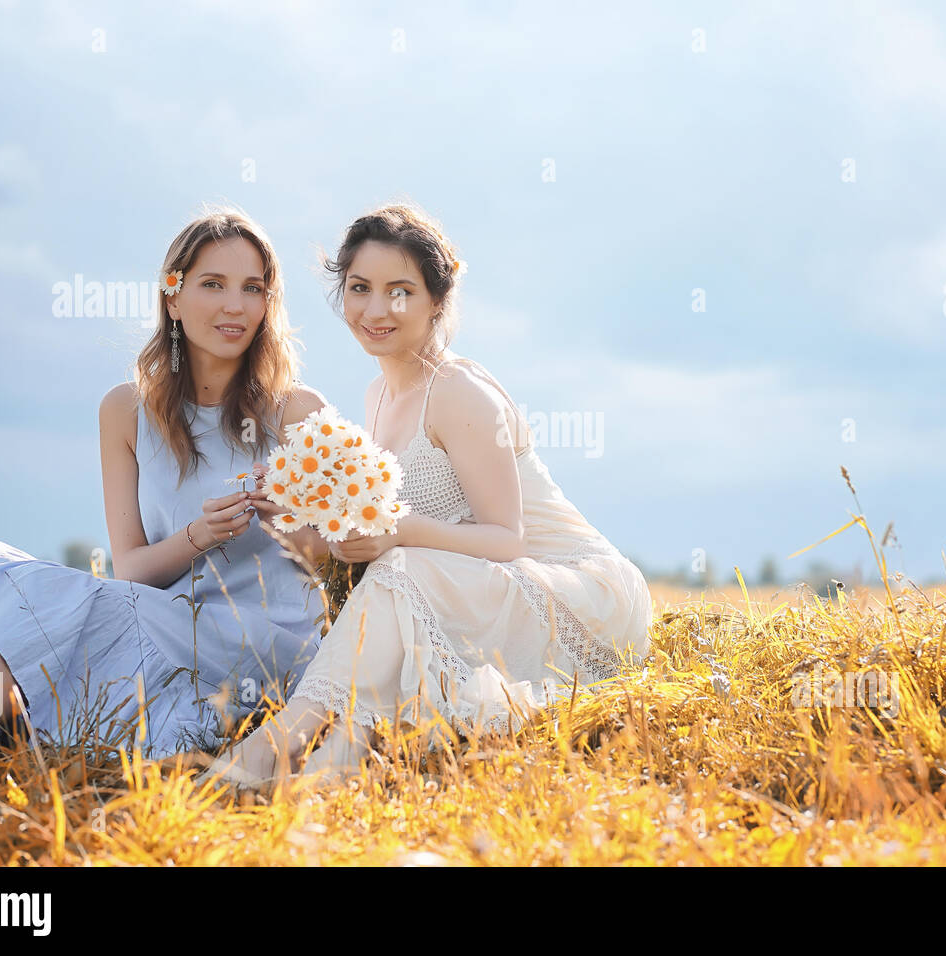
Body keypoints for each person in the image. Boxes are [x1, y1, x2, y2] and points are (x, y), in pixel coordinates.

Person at [202, 202, 652, 788]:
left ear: (437, 300)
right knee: (399, 576)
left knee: (404, 568)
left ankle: (276, 746)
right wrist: (298, 518)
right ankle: (325, 768)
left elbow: (507, 540)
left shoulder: (459, 393)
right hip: (463, 588)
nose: (375, 309)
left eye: (401, 291)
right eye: (360, 288)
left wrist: (398, 533)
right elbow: (379, 543)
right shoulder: (375, 398)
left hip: (577, 592)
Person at [0, 206, 330, 774]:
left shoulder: (298, 412)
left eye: (253, 288)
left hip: (261, 640)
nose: (235, 305)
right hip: (157, 616)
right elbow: (129, 568)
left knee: (45, 607)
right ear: (172, 298)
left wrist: (284, 516)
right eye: (213, 284)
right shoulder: (125, 409)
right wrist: (198, 536)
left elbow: (328, 558)